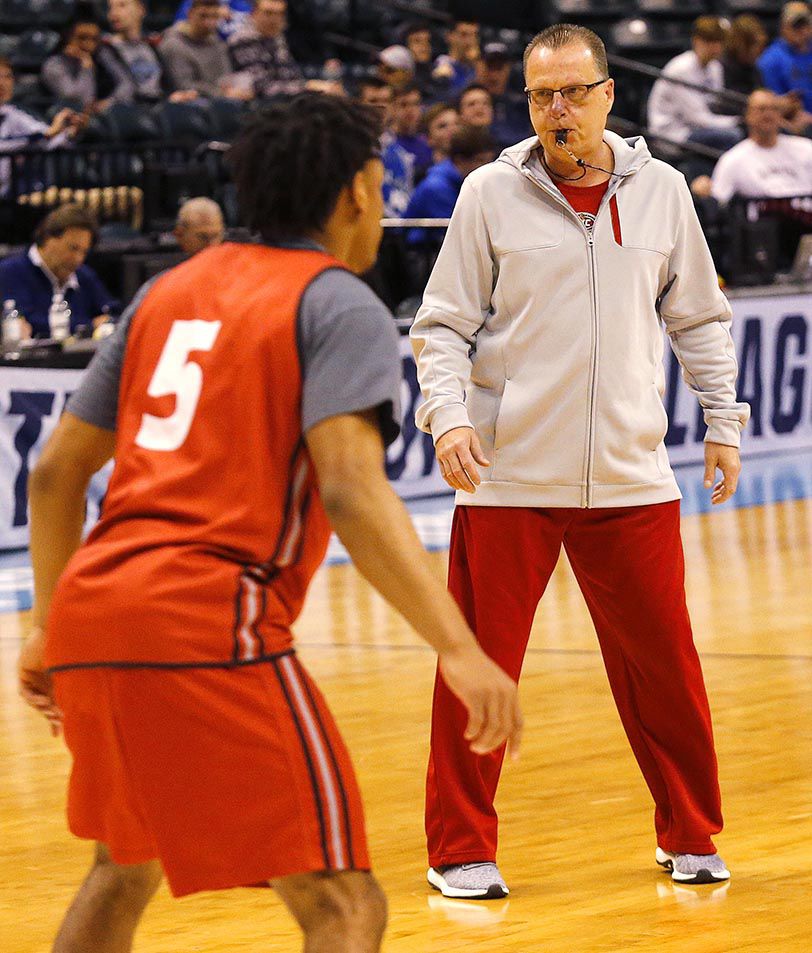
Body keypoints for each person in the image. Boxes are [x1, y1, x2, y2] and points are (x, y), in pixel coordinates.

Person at [17, 92, 521, 953]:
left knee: (124, 863)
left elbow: (55, 474)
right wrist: (460, 647)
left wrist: (48, 624)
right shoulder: (339, 302)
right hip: (214, 618)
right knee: (345, 904)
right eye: (378, 186)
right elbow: (352, 492)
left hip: (97, 609)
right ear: (357, 191)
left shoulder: (166, 290)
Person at [411, 22, 749, 900]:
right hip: (508, 477)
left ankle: (690, 831)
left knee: (666, 667)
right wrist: (448, 418)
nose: (557, 109)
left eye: (572, 92)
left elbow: (699, 318)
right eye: (540, 95)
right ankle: (459, 848)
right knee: (477, 668)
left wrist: (723, 419)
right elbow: (441, 325)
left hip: (633, 475)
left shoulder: (663, 190)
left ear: (608, 95)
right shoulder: (488, 192)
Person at [0, 203, 117, 337]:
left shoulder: (84, 276)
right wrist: (90, 325)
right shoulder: (9, 272)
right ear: (48, 238)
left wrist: (107, 322)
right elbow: (24, 322)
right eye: (73, 248)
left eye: (84, 252)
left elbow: (112, 312)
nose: (78, 259)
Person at [647, 16, 743, 149]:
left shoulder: (715, 67)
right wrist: (736, 121)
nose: (715, 47)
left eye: (719, 42)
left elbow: (714, 102)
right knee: (733, 135)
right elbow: (697, 118)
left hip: (697, 127)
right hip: (672, 133)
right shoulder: (681, 69)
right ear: (696, 41)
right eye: (709, 41)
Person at [707, 88, 812, 203]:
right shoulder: (733, 159)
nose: (768, 114)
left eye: (774, 109)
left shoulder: (806, 149)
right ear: (748, 115)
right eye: (762, 109)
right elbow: (718, 200)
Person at [0, 58, 85, 196]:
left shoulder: (12, 114)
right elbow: (4, 146)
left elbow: (47, 139)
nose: (2, 83)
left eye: (7, 77)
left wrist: (71, 131)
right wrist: (46, 135)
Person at [404, 125, 495, 246]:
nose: (488, 167)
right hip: (420, 253)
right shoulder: (436, 188)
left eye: (490, 160)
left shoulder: (464, 182)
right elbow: (461, 234)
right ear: (460, 160)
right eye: (481, 160)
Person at [101, 0, 197, 103]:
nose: (114, 13)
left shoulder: (153, 45)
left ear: (140, 10)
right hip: (126, 108)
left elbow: (167, 86)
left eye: (122, 5)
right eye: (110, 8)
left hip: (158, 107)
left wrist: (175, 96)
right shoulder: (104, 49)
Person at [41, 14, 130, 113]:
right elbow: (80, 100)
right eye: (82, 38)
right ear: (67, 37)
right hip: (65, 115)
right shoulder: (53, 65)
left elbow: (128, 86)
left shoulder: (102, 54)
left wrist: (109, 102)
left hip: (100, 115)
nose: (88, 44)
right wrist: (86, 67)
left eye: (94, 39)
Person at [227, 0, 304, 100]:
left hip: (283, 98)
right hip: (258, 103)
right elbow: (262, 87)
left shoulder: (277, 39)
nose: (274, 20)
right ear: (253, 14)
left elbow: (292, 75)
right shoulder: (243, 41)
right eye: (268, 13)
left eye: (280, 14)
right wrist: (304, 88)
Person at [160, 0, 233, 99]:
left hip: (219, 101)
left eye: (214, 17)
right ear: (190, 14)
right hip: (187, 103)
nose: (209, 22)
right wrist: (221, 93)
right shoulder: (173, 44)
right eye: (203, 16)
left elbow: (227, 76)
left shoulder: (216, 42)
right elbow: (184, 85)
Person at [758, 2, 812, 117]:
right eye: (796, 26)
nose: (802, 30)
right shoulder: (770, 61)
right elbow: (773, 103)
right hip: (791, 119)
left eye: (805, 24)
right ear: (783, 27)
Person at [475, 41, 533, 147]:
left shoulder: (521, 106)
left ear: (508, 69)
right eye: (490, 67)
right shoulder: (464, 100)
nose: (494, 75)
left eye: (499, 67)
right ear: (479, 67)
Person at [433, 18, 479, 96]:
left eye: (474, 35)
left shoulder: (480, 67)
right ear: (449, 36)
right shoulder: (443, 65)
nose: (469, 41)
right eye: (464, 35)